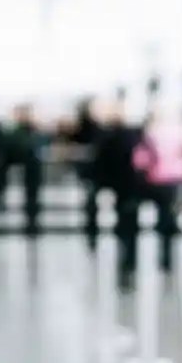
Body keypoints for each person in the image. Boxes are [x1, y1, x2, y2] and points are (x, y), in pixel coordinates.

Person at [132, 108, 182, 272]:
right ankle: (168, 250)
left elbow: (140, 159)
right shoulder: (178, 133)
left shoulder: (150, 134)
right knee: (169, 213)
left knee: (163, 214)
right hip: (173, 178)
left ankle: (164, 249)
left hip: (156, 178)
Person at [97, 100, 145, 280]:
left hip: (122, 188)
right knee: (130, 224)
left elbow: (102, 164)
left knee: (124, 224)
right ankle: (130, 260)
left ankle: (127, 259)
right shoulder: (133, 137)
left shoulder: (108, 138)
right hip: (131, 187)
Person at [71, 99, 106, 249]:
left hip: (88, 170)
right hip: (93, 170)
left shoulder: (80, 128)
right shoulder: (96, 128)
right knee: (91, 199)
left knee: (90, 200)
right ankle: (91, 227)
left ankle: (91, 227)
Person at [6, 105, 46, 237]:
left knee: (32, 197)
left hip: (32, 170)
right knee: (31, 198)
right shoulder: (25, 133)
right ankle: (31, 223)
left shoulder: (23, 132)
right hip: (31, 170)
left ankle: (32, 223)